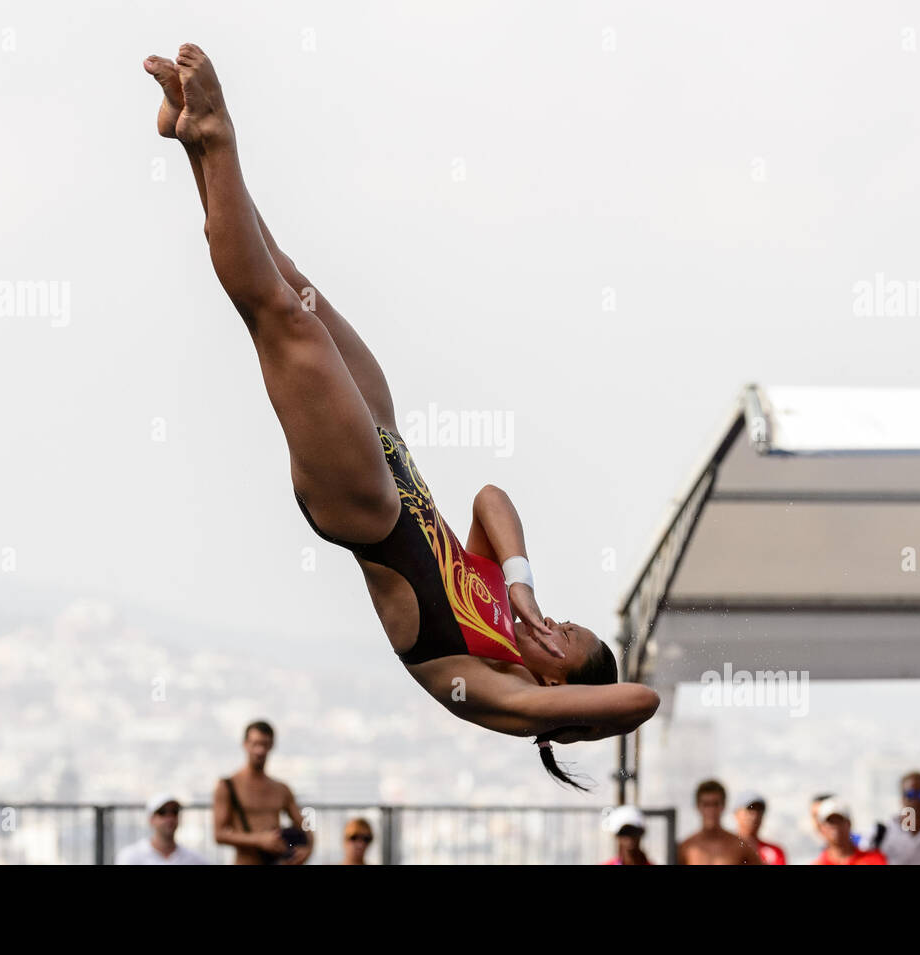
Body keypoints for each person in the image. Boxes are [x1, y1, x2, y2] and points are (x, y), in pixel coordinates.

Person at [140, 46, 660, 789]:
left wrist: (562, 709)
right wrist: (522, 589)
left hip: (365, 506)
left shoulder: (494, 684)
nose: (552, 626)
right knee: (292, 280)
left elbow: (641, 699)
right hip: (388, 447)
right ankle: (193, 139)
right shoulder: (504, 607)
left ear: (558, 690)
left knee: (280, 317)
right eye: (566, 620)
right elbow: (489, 498)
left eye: (561, 640)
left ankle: (217, 132)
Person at [214, 721, 314, 865]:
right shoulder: (228, 786)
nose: (259, 750)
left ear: (271, 745)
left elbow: (305, 826)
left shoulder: (281, 789)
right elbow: (219, 834)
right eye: (255, 744)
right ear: (245, 744)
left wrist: (307, 849)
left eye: (264, 744)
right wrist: (259, 839)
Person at [677, 780, 762, 865]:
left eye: (715, 804)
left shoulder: (740, 846)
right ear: (698, 806)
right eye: (706, 804)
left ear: (723, 805)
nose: (711, 810)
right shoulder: (686, 848)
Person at [116, 793, 209, 865]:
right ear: (151, 819)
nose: (169, 818)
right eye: (162, 813)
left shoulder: (195, 860)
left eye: (174, 812)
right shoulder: (131, 857)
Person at [813, 799, 887, 865]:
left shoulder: (874, 860)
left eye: (839, 820)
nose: (835, 826)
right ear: (821, 827)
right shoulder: (818, 863)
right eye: (830, 822)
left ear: (849, 823)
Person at [733, 791, 786, 865]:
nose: (755, 815)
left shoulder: (774, 852)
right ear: (736, 813)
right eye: (750, 809)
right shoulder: (723, 848)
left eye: (759, 811)